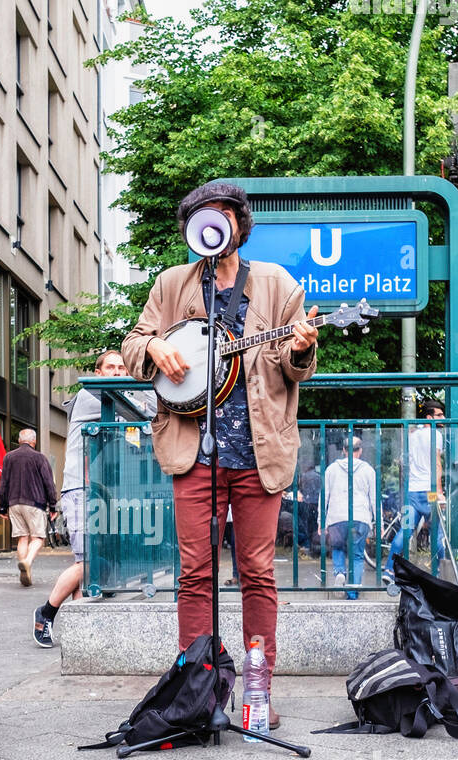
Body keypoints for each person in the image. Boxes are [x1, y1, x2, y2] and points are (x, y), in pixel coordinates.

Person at [121, 181, 319, 731]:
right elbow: (133, 345)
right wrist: (154, 347)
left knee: (257, 572)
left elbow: (294, 364)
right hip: (194, 449)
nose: (212, 225)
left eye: (221, 216)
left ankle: (257, 690)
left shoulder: (277, 284)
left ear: (238, 222)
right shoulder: (171, 284)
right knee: (195, 574)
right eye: (201, 217)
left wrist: (301, 349)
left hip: (258, 454)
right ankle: (196, 691)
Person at [33, 350, 154, 647]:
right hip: (80, 490)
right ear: (98, 372)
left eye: (122, 367)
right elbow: (147, 413)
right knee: (89, 562)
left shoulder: (112, 398)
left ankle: (80, 631)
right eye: (110, 367)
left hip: (100, 492)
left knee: (95, 564)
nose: (116, 371)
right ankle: (46, 612)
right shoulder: (92, 395)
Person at [384, 397, 450, 584]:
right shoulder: (435, 435)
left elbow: (403, 463)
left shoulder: (411, 435)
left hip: (412, 493)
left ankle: (389, 570)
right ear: (429, 417)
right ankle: (438, 575)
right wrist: (438, 491)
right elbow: (437, 464)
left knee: (404, 532)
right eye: (439, 415)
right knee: (436, 534)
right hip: (429, 493)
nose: (443, 418)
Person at [0, 427, 58, 587]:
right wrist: (53, 505)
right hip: (34, 503)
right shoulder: (39, 458)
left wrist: (2, 506)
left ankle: (25, 570)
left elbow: (3, 483)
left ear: (19, 440)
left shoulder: (8, 457)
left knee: (22, 538)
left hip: (14, 503)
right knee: (38, 538)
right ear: (34, 441)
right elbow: (48, 483)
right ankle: (27, 562)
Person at [321, 435, 376, 600]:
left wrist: (321, 522)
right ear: (360, 451)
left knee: (337, 548)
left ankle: (340, 572)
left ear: (344, 450)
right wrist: (377, 522)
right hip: (360, 517)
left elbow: (323, 497)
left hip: (336, 517)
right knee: (357, 555)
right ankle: (352, 593)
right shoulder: (368, 470)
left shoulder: (331, 469)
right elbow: (374, 498)